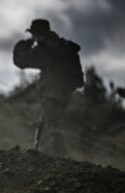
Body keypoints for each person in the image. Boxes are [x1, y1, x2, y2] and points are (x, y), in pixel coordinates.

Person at [13, 18, 84, 156]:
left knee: (52, 126)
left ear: (39, 34)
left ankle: (54, 156)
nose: (33, 38)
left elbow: (20, 60)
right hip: (64, 93)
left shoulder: (47, 48)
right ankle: (41, 152)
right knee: (47, 122)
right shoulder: (64, 46)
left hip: (52, 93)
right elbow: (78, 78)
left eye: (33, 35)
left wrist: (25, 44)